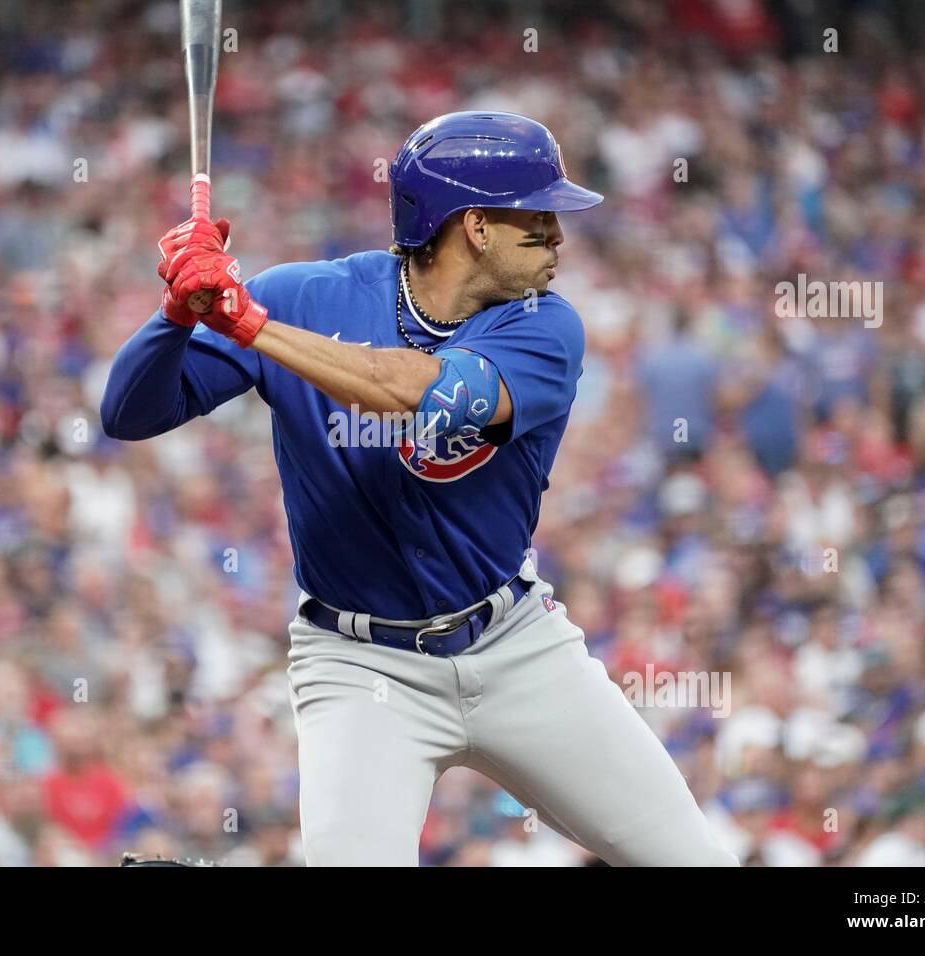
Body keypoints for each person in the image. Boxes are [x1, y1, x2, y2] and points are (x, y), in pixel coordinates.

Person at [102, 111, 737, 866]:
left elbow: (423, 394)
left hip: (515, 648)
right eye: (537, 222)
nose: (558, 239)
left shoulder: (547, 326)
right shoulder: (307, 297)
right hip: (359, 664)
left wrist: (246, 321)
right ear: (474, 226)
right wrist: (175, 313)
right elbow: (130, 412)